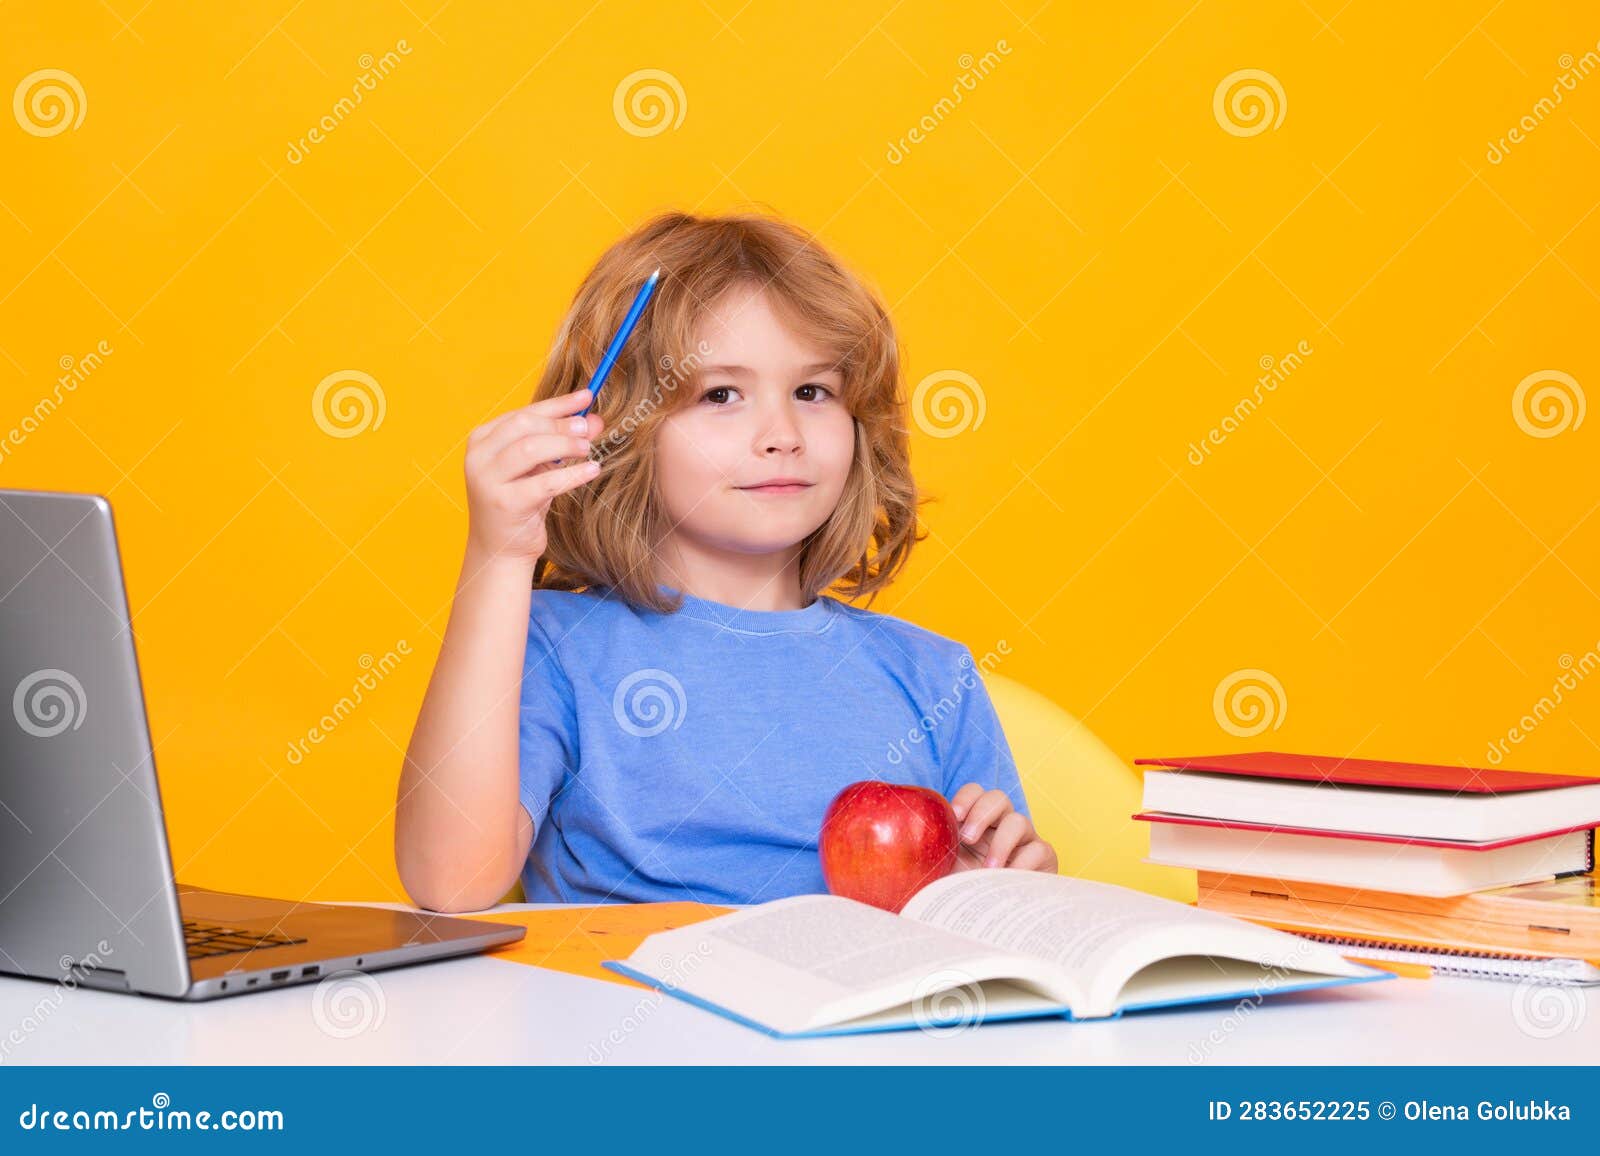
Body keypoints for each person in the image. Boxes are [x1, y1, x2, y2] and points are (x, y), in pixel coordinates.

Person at [396, 209, 1057, 912]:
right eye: (720, 394)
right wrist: (497, 559)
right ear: (617, 429)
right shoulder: (552, 648)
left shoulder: (933, 677)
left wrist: (1009, 886)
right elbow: (451, 882)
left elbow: (1001, 932)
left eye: (813, 392)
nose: (781, 434)